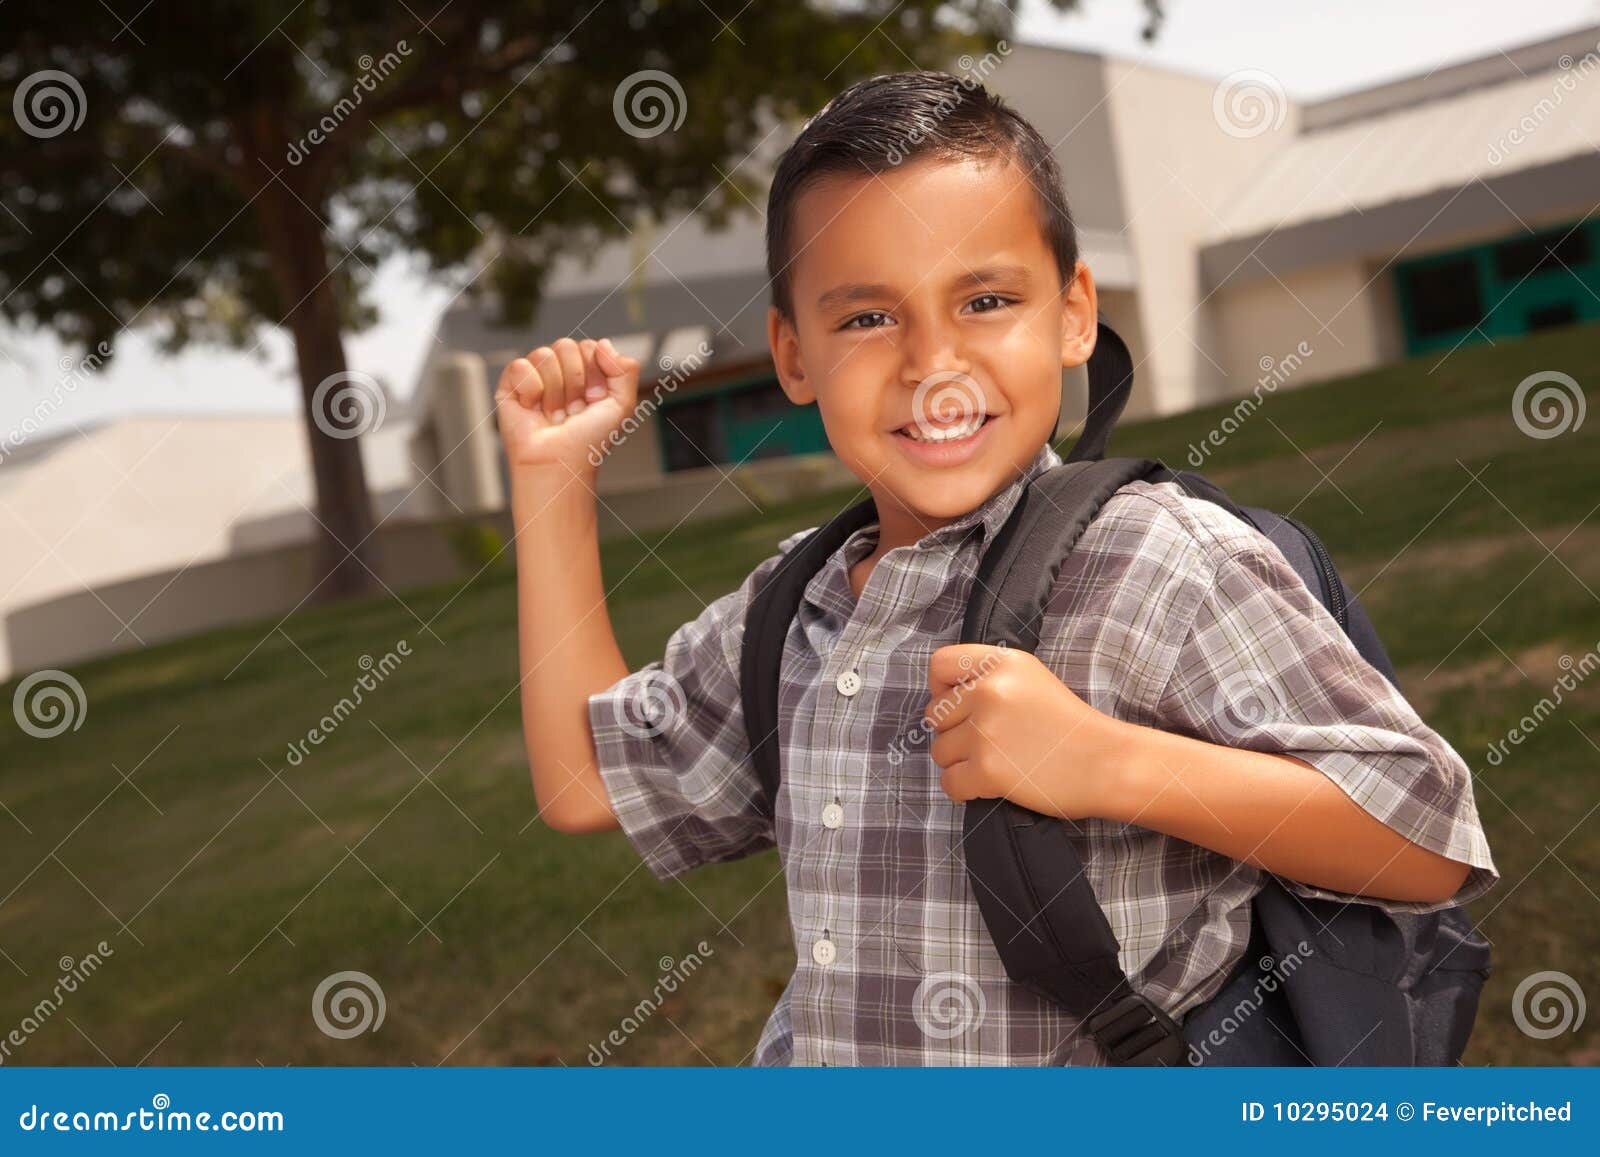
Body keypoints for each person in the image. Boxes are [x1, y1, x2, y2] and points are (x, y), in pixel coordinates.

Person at [495, 71, 1498, 1066]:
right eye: (866, 318)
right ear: (792, 355)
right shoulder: (790, 608)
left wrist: (1108, 762)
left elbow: (1424, 837)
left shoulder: (1157, 560)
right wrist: (551, 480)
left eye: (983, 298)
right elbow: (589, 782)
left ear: (1070, 315)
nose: (933, 362)